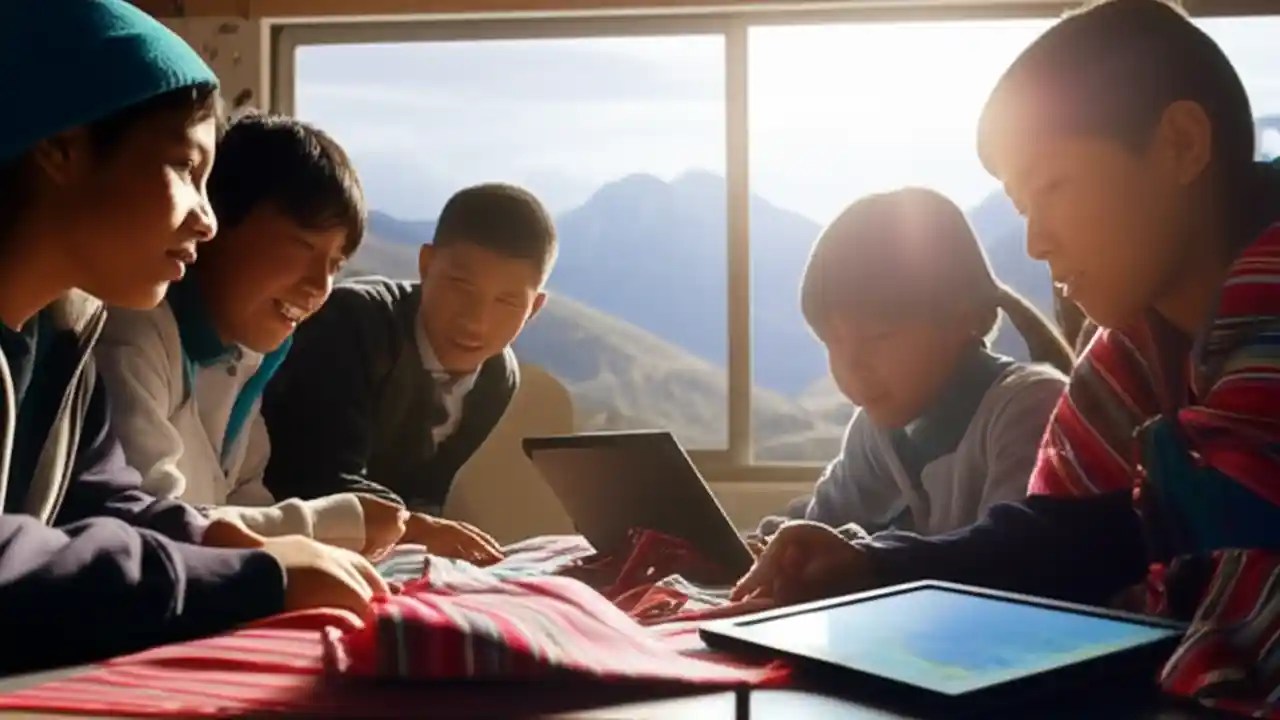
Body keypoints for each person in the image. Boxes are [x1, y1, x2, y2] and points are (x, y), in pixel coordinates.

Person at [734, 0, 1280, 711]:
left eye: (1052, 186)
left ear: (1180, 144)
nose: (1035, 243)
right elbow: (1077, 541)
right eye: (1021, 205)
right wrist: (868, 564)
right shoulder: (1127, 371)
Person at [0, 0, 385, 675]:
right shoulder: (109, 337)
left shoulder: (66, 335)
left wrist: (212, 535)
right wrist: (246, 580)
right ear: (60, 145)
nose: (206, 220)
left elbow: (102, 499)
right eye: (185, 169)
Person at [94, 112, 407, 560]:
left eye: (335, 265)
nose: (319, 286)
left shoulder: (244, 360)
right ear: (216, 223)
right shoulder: (132, 332)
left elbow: (244, 502)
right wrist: (335, 522)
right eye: (303, 246)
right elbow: (154, 523)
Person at [751, 188, 1069, 547]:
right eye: (832, 343)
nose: (851, 365)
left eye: (876, 338)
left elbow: (1011, 556)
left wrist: (867, 562)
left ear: (963, 319)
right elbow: (823, 521)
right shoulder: (875, 430)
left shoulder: (1027, 409)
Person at [263, 183, 557, 563]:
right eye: (460, 286)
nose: (476, 321)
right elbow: (314, 477)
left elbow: (429, 492)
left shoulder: (497, 377)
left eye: (507, 301)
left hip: (381, 551)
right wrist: (418, 529)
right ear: (426, 264)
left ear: (534, 308)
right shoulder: (353, 322)